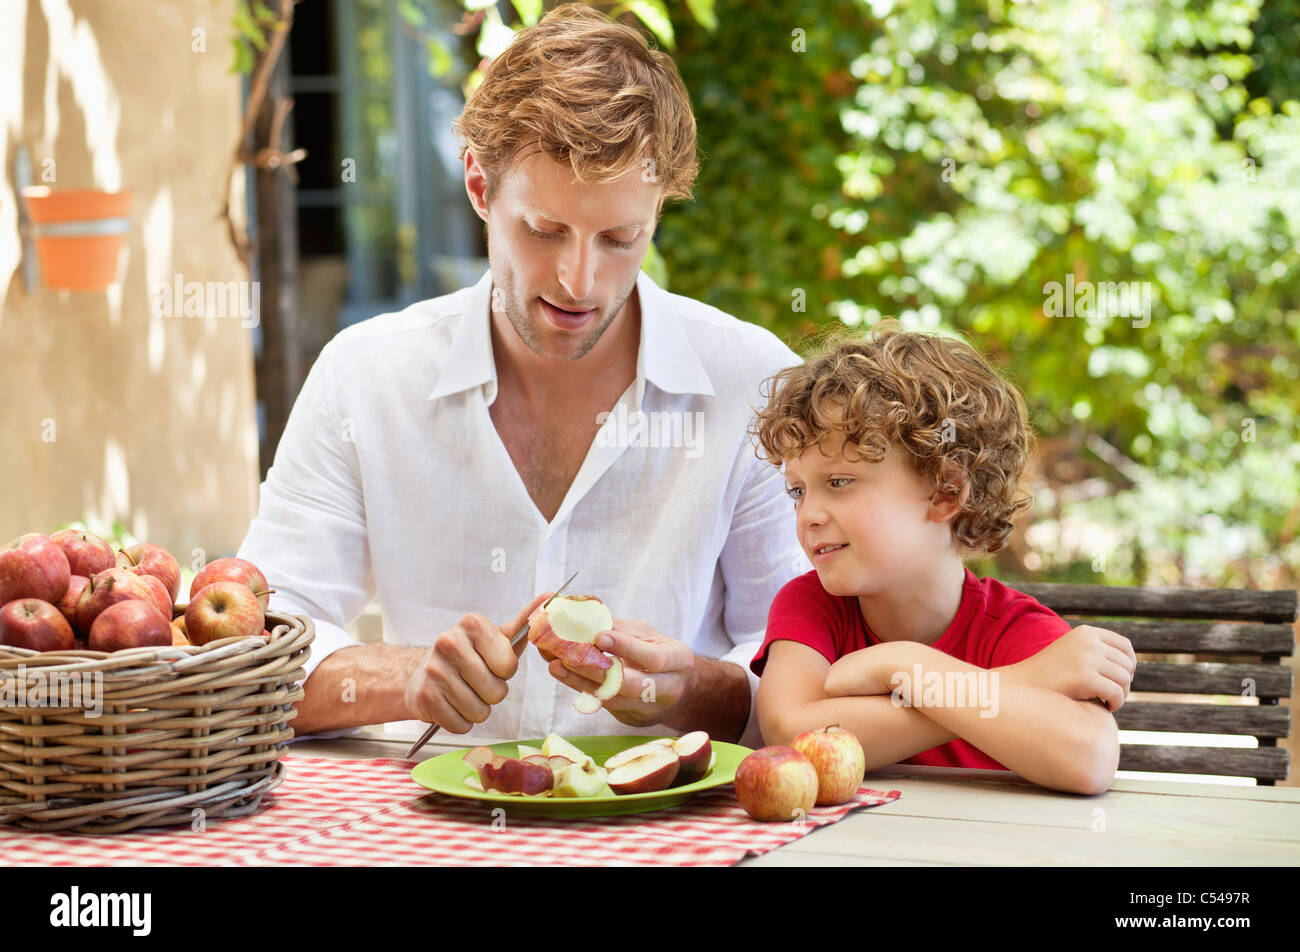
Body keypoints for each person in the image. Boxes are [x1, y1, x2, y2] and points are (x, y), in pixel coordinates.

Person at [236, 4, 805, 747]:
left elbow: (808, 664)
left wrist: (693, 691)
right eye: (544, 231)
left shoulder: (753, 385)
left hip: (679, 843)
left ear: (658, 211)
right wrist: (403, 678)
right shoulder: (365, 376)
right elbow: (253, 642)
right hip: (434, 841)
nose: (580, 280)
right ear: (478, 184)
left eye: (621, 238)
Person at [748, 324, 1138, 793]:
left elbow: (1090, 759)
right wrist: (1020, 681)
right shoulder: (810, 604)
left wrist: (907, 667)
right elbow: (791, 736)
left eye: (838, 482)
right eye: (798, 490)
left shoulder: (1014, 628)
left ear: (946, 492)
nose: (808, 514)